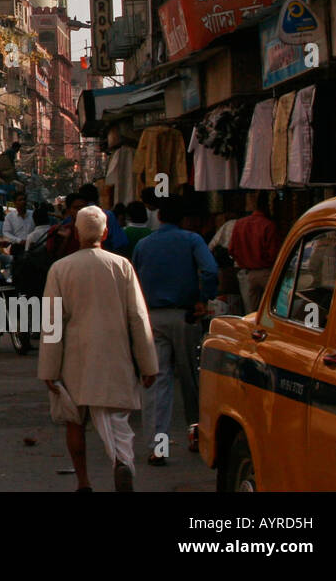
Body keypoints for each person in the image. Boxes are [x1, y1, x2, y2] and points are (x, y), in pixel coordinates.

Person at [39, 205, 158, 492]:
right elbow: (138, 318)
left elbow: (52, 323)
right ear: (105, 233)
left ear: (77, 232)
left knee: (74, 421)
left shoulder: (60, 268)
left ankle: (83, 482)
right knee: (117, 419)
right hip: (115, 359)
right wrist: (148, 364)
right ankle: (121, 462)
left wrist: (49, 370)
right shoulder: (122, 266)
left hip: (74, 360)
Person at [131, 197, 218, 465]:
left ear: (160, 217)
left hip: (152, 318)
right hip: (185, 316)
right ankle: (196, 436)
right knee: (192, 379)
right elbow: (210, 270)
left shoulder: (144, 244)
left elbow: (134, 278)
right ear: (184, 219)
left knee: (157, 382)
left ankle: (157, 445)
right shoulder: (192, 240)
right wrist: (205, 298)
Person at [229, 190, 280, 315]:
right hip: (266, 272)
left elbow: (231, 250)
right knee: (274, 311)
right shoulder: (268, 225)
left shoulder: (240, 224)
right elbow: (274, 253)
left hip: (247, 273)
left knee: (251, 314)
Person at [79, 183, 129, 254]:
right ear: (97, 197)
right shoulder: (107, 215)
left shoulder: (76, 215)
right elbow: (120, 243)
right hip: (106, 257)